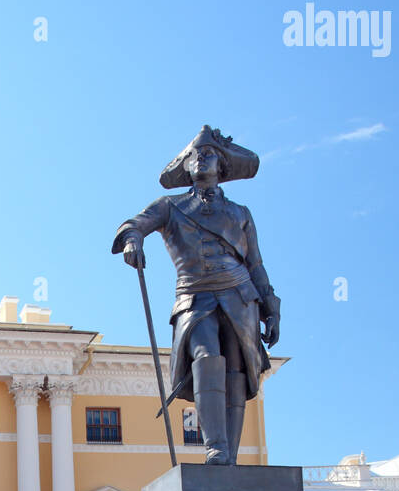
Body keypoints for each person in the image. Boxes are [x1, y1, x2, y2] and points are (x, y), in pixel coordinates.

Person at [112, 125, 280, 466]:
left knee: (235, 371)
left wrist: (271, 308)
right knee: (206, 357)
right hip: (194, 296)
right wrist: (133, 241)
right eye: (194, 156)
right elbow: (132, 224)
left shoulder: (240, 214)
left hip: (241, 296)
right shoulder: (170, 207)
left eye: (208, 155)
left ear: (222, 166)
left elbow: (256, 265)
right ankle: (215, 447)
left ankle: (228, 458)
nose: (201, 160)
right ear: (186, 167)